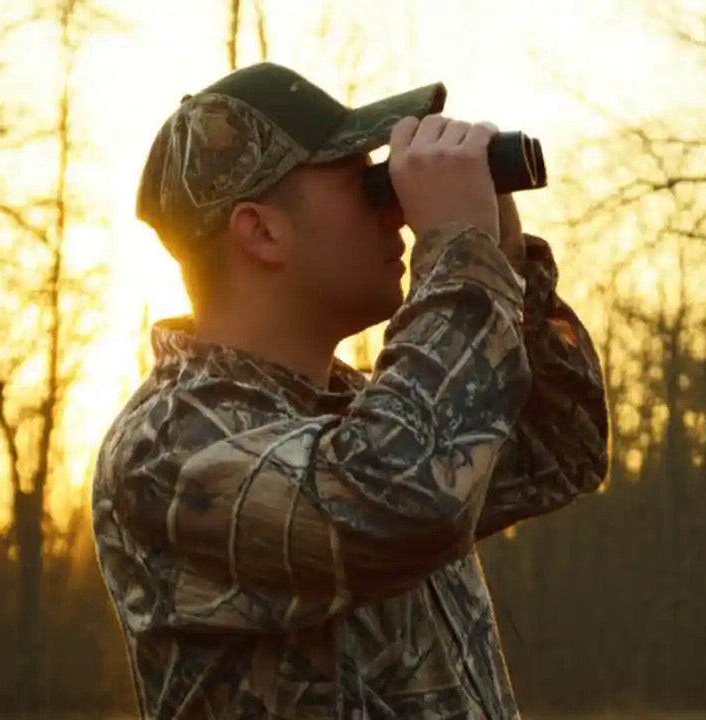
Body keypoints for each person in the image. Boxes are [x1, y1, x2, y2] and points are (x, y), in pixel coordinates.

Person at [91, 60, 610, 719]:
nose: (395, 212)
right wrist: (458, 252)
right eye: (365, 183)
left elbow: (559, 449)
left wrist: (502, 263)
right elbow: (405, 494)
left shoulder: (371, 412)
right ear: (262, 230)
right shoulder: (167, 448)